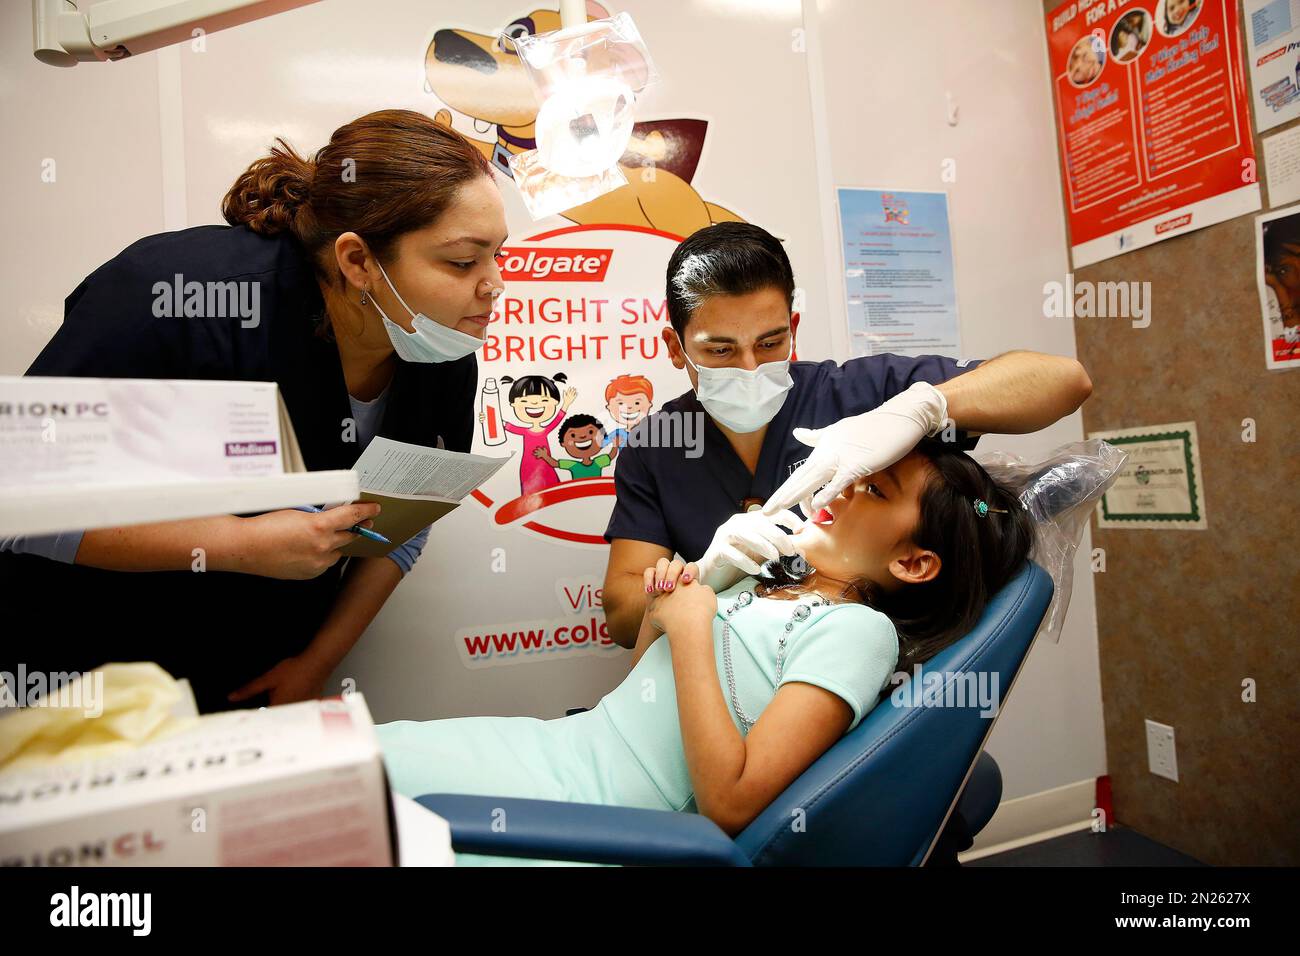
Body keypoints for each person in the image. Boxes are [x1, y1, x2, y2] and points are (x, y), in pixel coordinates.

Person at [0, 109, 508, 713]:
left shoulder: (438, 348)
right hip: (80, 680)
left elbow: (403, 523)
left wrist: (316, 663)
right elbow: (18, 506)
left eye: (498, 255)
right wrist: (237, 544)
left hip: (255, 678)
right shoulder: (177, 296)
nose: (494, 285)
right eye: (462, 261)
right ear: (358, 261)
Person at [376, 438, 1036, 865]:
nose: (839, 490)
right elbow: (637, 689)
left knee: (355, 810)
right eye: (856, 477)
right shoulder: (770, 578)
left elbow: (733, 803)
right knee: (356, 759)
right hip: (567, 752)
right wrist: (678, 599)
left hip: (609, 814)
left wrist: (694, 627)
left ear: (914, 562)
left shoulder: (859, 632)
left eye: (876, 490)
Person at [599, 221, 1092, 650]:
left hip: (870, 681)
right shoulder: (658, 443)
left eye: (770, 343)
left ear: (793, 328)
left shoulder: (860, 395)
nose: (750, 368)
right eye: (721, 351)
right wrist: (703, 573)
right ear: (675, 347)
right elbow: (623, 616)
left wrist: (920, 410)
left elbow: (1065, 382)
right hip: (747, 679)